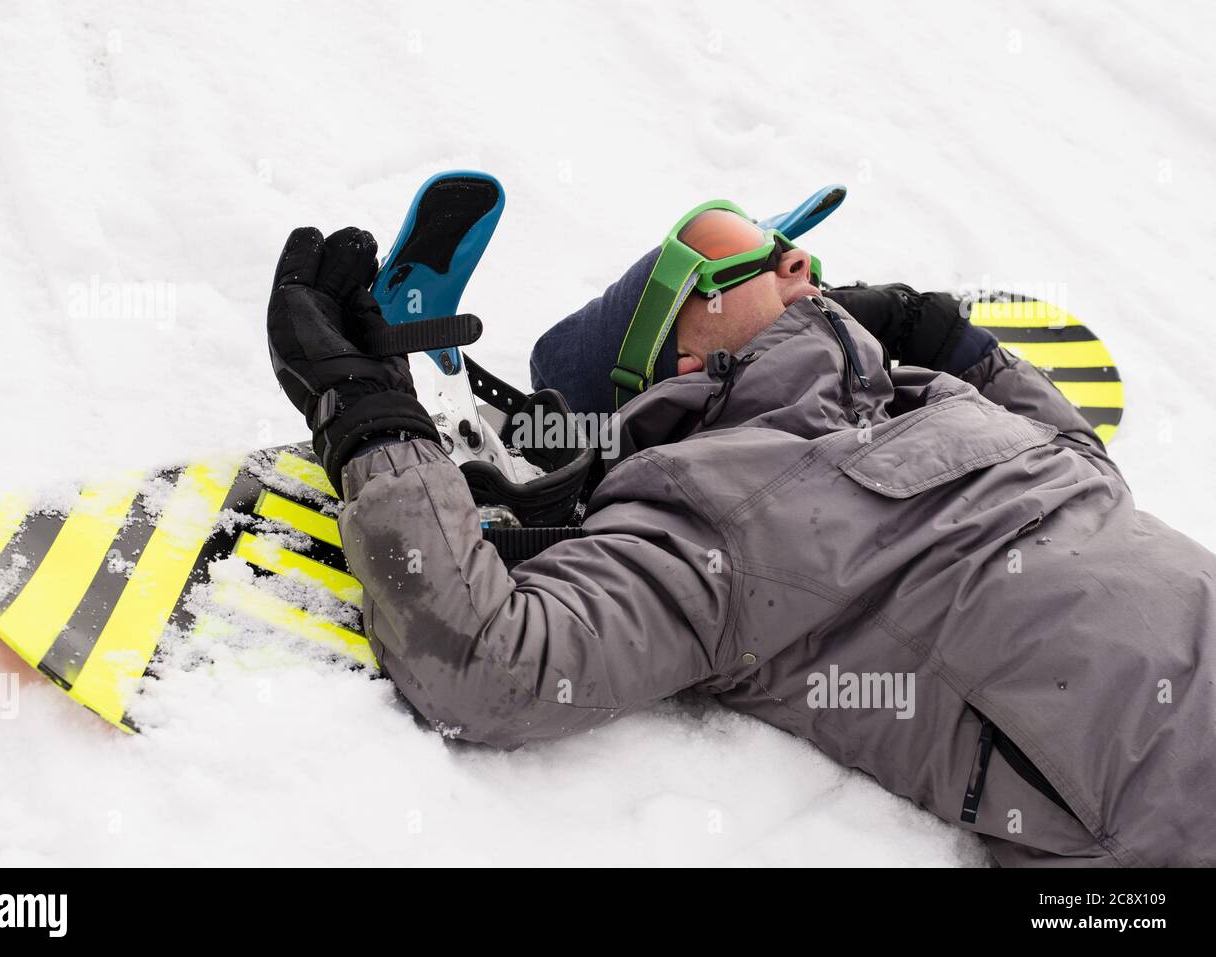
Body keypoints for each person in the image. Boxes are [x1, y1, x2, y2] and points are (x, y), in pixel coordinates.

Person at [265, 204, 1216, 868]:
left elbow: (1086, 480)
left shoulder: (921, 397)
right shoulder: (709, 501)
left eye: (790, 244)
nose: (798, 260)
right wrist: (372, 415)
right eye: (746, 255)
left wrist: (953, 344)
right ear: (683, 352)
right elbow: (490, 663)